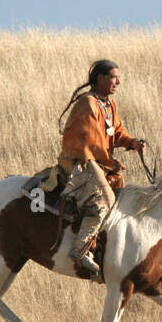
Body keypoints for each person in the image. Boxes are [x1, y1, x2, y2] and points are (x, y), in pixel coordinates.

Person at [55, 59, 148, 276]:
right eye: (114, 77)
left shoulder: (108, 104)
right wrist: (111, 161)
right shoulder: (88, 103)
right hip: (82, 160)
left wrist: (132, 142)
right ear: (100, 79)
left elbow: (116, 132)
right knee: (105, 200)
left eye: (118, 77)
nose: (119, 81)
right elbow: (92, 141)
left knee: (122, 198)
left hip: (99, 161)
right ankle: (79, 250)